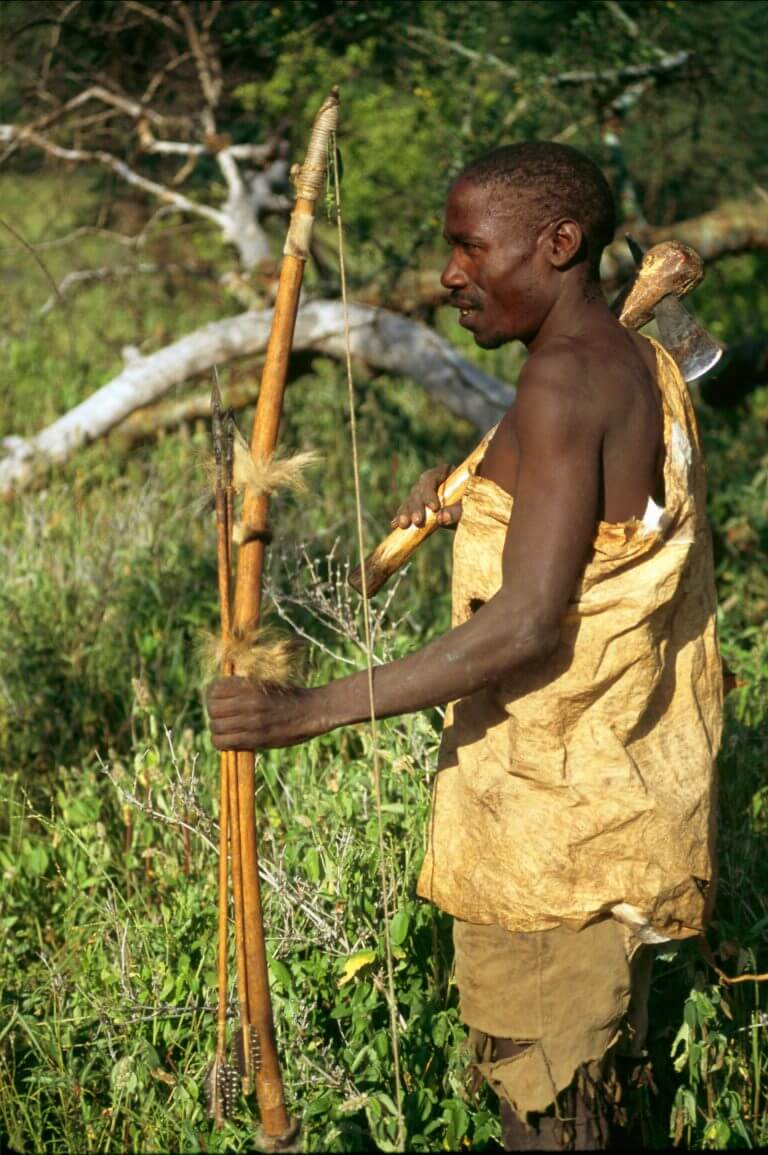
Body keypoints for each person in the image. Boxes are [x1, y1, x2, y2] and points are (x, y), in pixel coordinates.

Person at [207, 142, 722, 1150]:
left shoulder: (564, 384)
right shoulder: (626, 356)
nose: (450, 275)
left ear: (560, 244)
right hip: (620, 811)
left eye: (470, 248)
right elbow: (587, 492)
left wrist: (304, 712)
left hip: (553, 840)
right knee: (602, 1100)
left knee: (550, 1119)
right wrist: (488, 481)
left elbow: (528, 623)